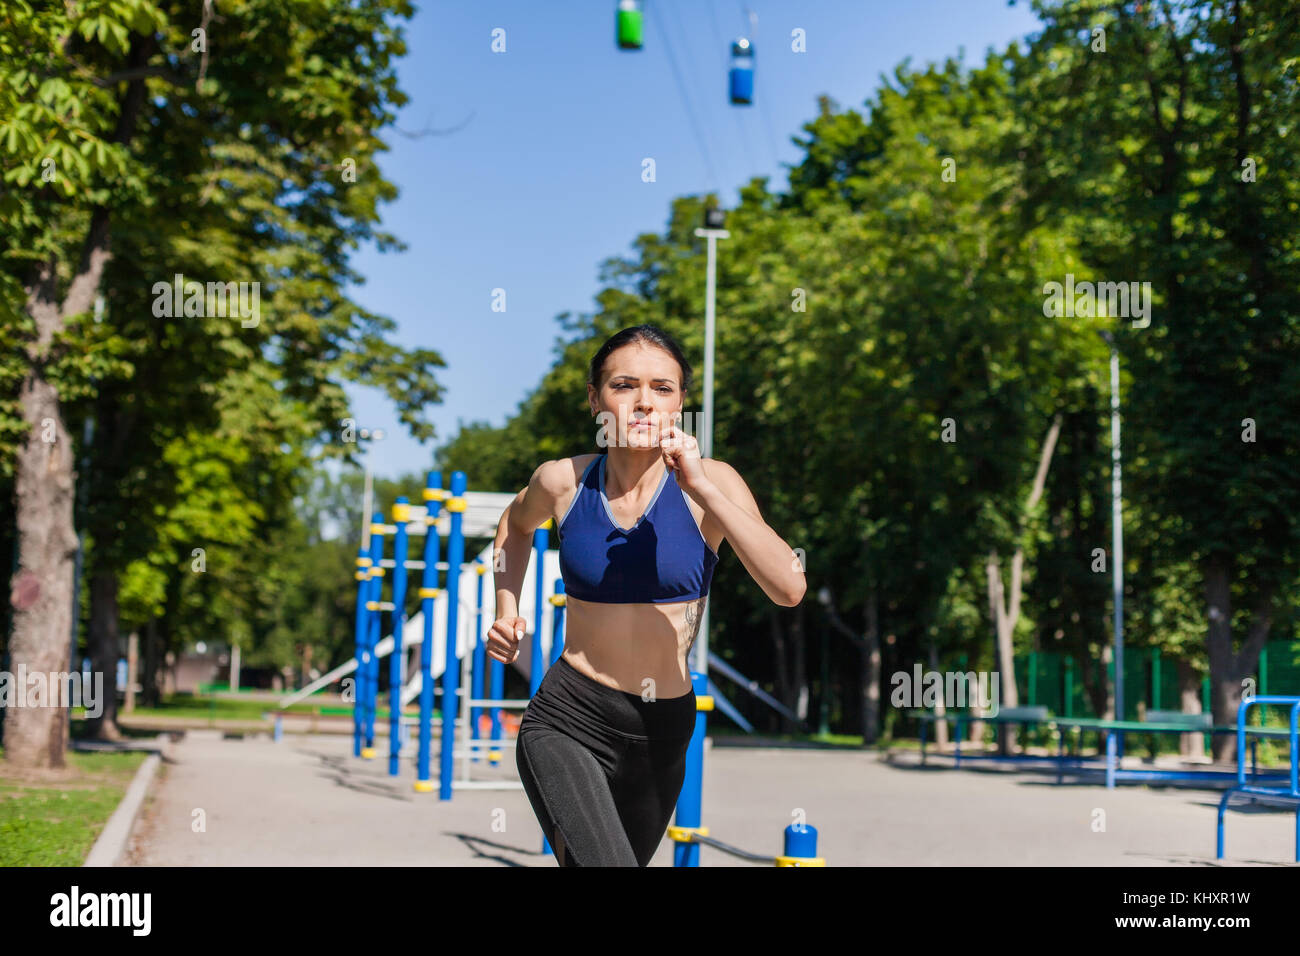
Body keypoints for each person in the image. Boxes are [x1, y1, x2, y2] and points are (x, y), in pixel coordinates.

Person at [487, 324, 806, 866]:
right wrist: (505, 608)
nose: (642, 403)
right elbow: (514, 527)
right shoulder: (562, 481)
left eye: (662, 388)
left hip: (662, 729)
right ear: (595, 399)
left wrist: (701, 486)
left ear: (681, 403)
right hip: (570, 716)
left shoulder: (715, 484)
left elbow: (789, 587)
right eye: (623, 385)